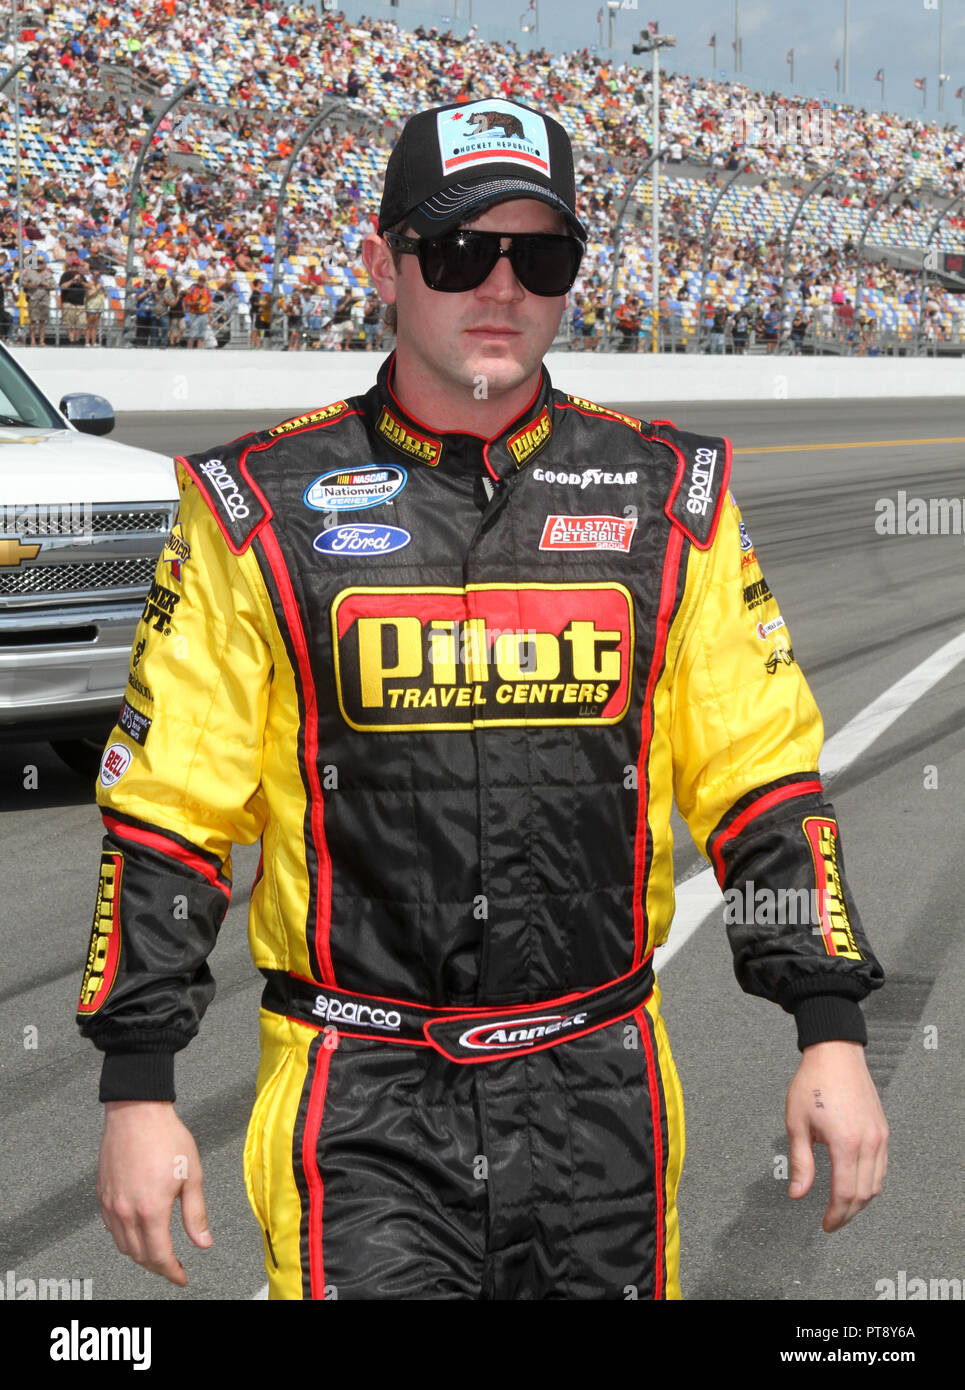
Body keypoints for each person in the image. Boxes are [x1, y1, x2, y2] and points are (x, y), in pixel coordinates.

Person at [79, 97, 887, 1302]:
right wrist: (137, 1086)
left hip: (600, 1084)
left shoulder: (673, 496)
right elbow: (170, 810)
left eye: (539, 255)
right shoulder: (252, 502)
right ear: (385, 265)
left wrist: (827, 1023)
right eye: (459, 252)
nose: (499, 288)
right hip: (357, 1095)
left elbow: (758, 780)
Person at [59, 255, 88, 344]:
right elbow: (63, 286)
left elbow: (88, 286)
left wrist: (81, 282)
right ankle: (71, 339)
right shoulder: (66, 275)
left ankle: (77, 340)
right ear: (71, 266)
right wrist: (72, 280)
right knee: (69, 323)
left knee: (81, 323)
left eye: (77, 266)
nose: (75, 267)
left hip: (80, 303)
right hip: (69, 302)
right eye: (74, 265)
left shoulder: (82, 276)